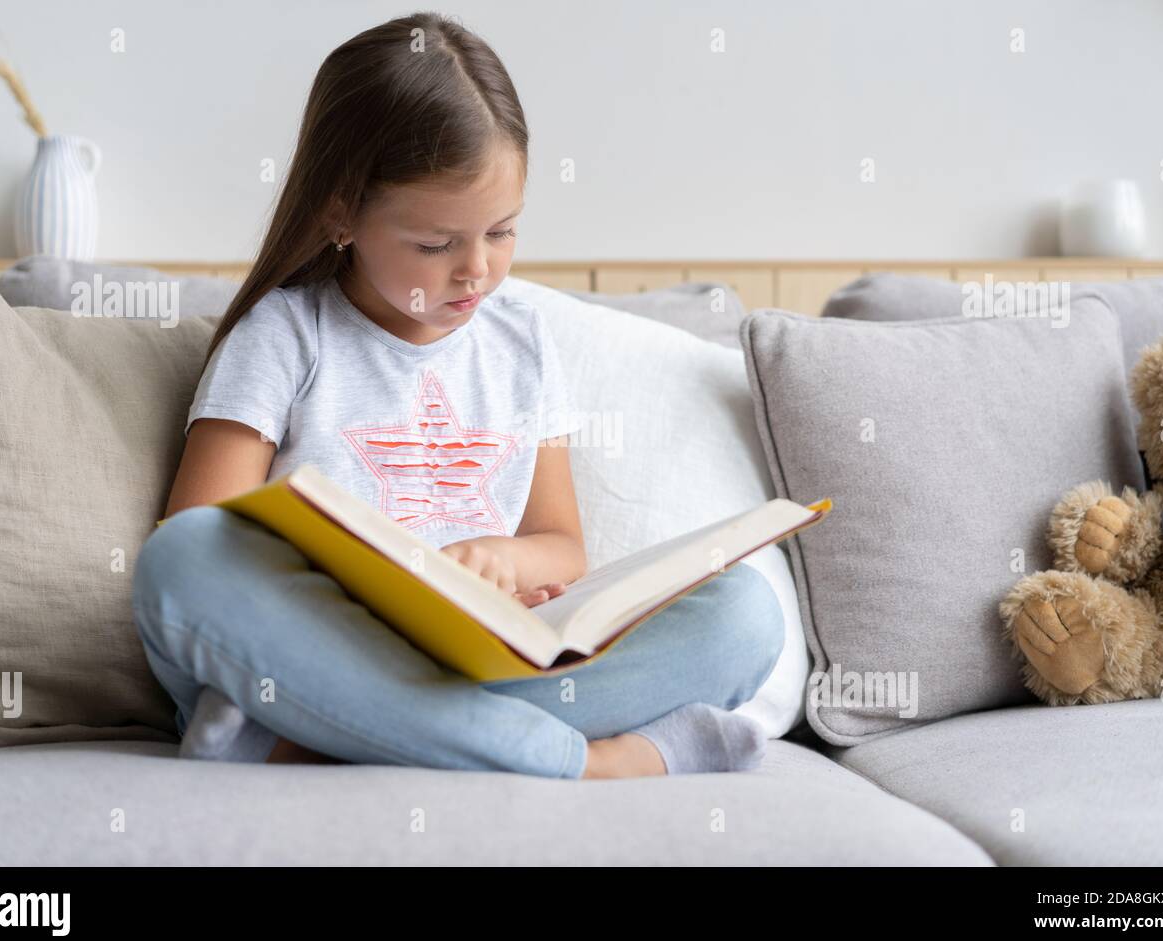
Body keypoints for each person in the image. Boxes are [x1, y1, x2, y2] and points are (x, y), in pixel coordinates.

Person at [131, 11, 784, 780]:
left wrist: (504, 560)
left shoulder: (522, 343)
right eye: (437, 245)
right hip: (318, 652)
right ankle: (580, 760)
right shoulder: (285, 336)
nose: (475, 270)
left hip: (485, 660)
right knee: (177, 561)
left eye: (502, 233)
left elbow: (561, 546)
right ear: (341, 210)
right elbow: (201, 534)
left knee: (744, 614)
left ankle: (330, 739)